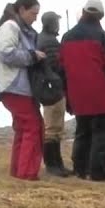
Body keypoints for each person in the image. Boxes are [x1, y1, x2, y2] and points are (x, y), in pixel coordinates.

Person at [60, 0, 105, 182]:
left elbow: (61, 68)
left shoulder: (67, 37)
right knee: (101, 134)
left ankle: (79, 170)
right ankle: (97, 173)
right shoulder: (103, 38)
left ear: (84, 11)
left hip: (77, 94)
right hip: (101, 94)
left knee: (82, 132)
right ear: (101, 16)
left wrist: (68, 94)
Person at [0, 0, 47, 181]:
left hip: (15, 86)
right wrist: (32, 56)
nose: (35, 18)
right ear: (22, 9)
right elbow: (6, 53)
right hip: (15, 85)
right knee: (33, 126)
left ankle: (18, 171)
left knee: (23, 128)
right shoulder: (11, 27)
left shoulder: (15, 27)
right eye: (33, 13)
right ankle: (26, 172)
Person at [37, 11, 70, 177]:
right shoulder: (49, 41)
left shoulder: (44, 39)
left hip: (51, 87)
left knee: (55, 127)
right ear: (51, 23)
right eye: (56, 21)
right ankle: (52, 164)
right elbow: (54, 65)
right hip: (53, 88)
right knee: (52, 128)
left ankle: (57, 163)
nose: (58, 24)